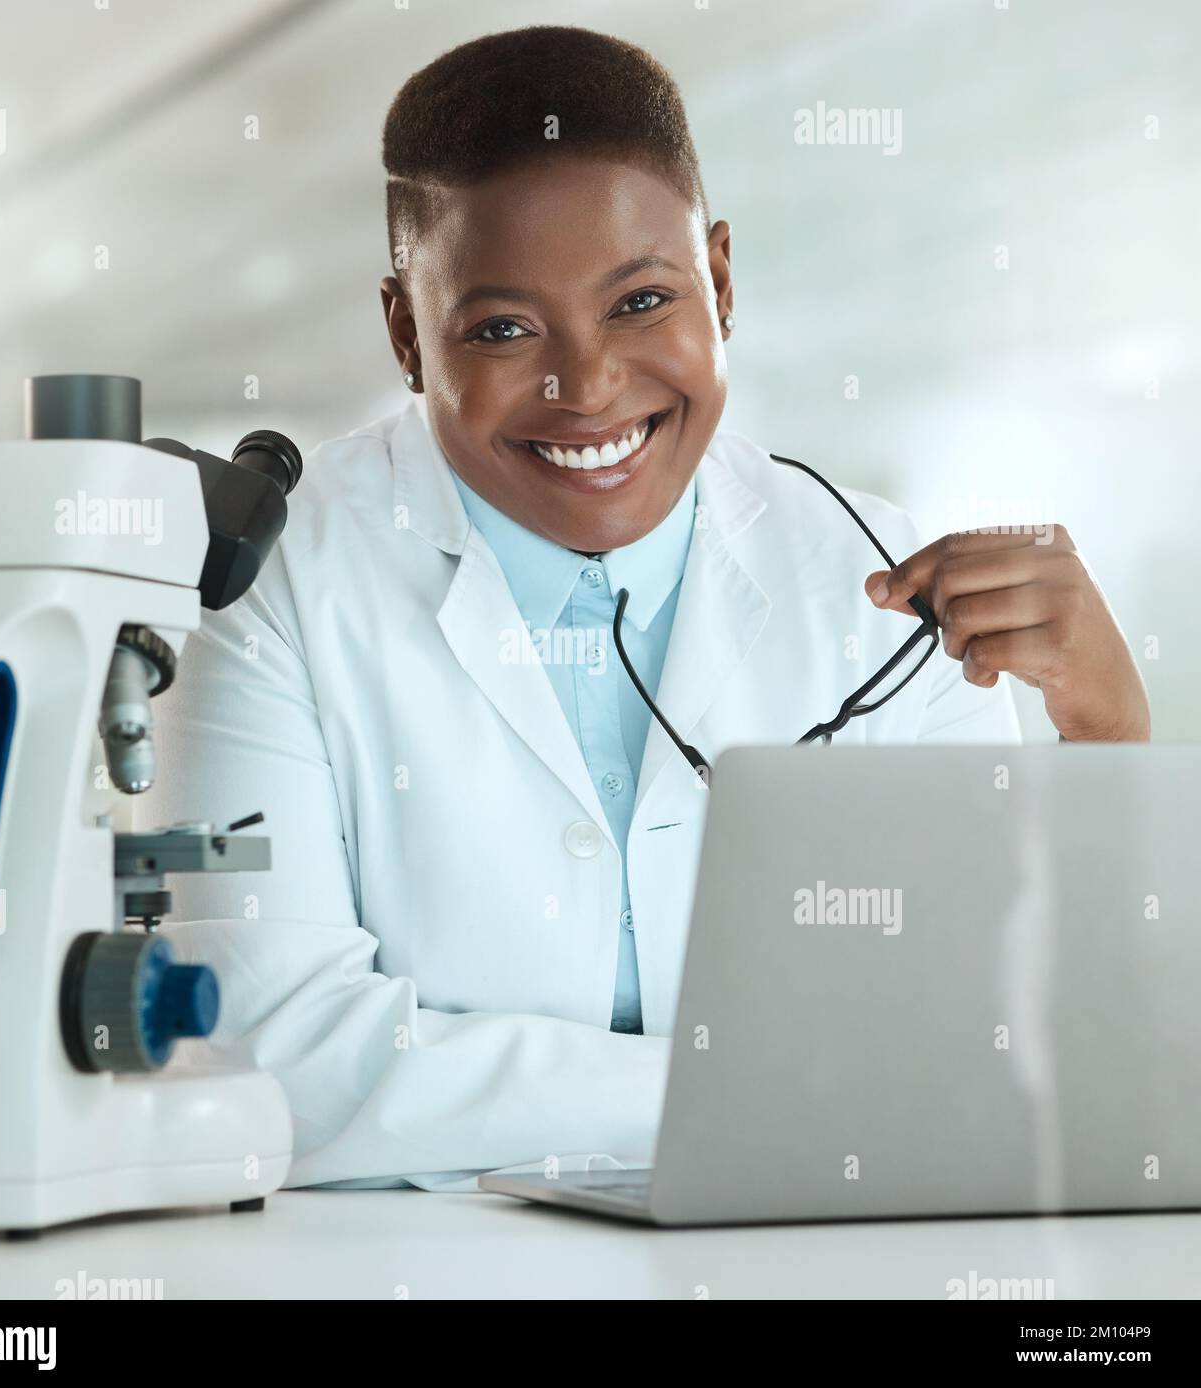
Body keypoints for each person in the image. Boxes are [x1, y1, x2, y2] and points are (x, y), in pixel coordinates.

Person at [139, 26, 1150, 1192]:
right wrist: (769, 1089)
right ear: (408, 335)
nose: (588, 387)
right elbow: (273, 1067)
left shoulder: (880, 580)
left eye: (643, 300)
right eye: (503, 329)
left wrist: (1109, 740)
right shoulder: (269, 588)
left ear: (720, 281)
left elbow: (1013, 1046)